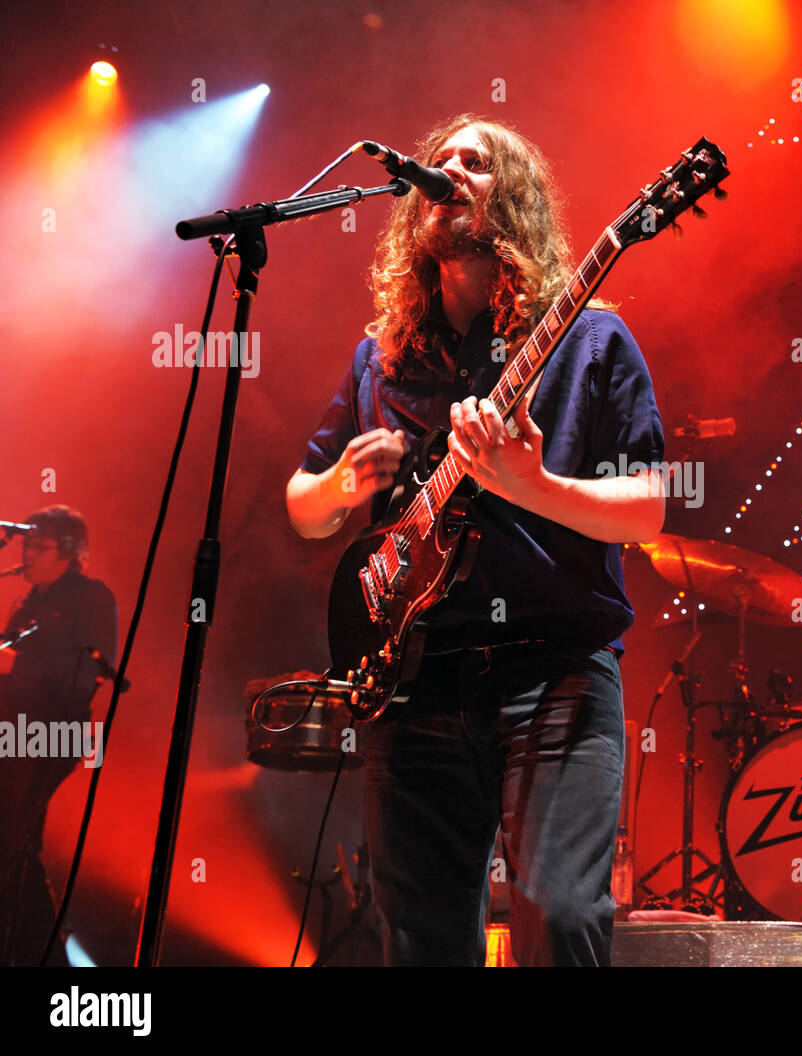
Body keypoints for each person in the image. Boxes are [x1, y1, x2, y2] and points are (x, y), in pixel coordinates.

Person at [285, 115, 665, 966]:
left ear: (518, 199)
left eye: (477, 162)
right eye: (442, 158)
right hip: (413, 680)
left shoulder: (591, 339)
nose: (447, 169)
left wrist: (534, 486)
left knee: (561, 919)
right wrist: (343, 485)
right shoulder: (380, 358)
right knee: (419, 940)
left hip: (554, 673)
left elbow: (648, 507)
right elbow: (304, 507)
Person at [0, 505, 117, 966]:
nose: (26, 552)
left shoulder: (92, 596)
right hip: (17, 731)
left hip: (55, 731)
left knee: (13, 837)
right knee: (17, 844)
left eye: (37, 545)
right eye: (26, 543)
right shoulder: (26, 603)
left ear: (69, 552)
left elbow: (95, 669)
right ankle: (41, 957)